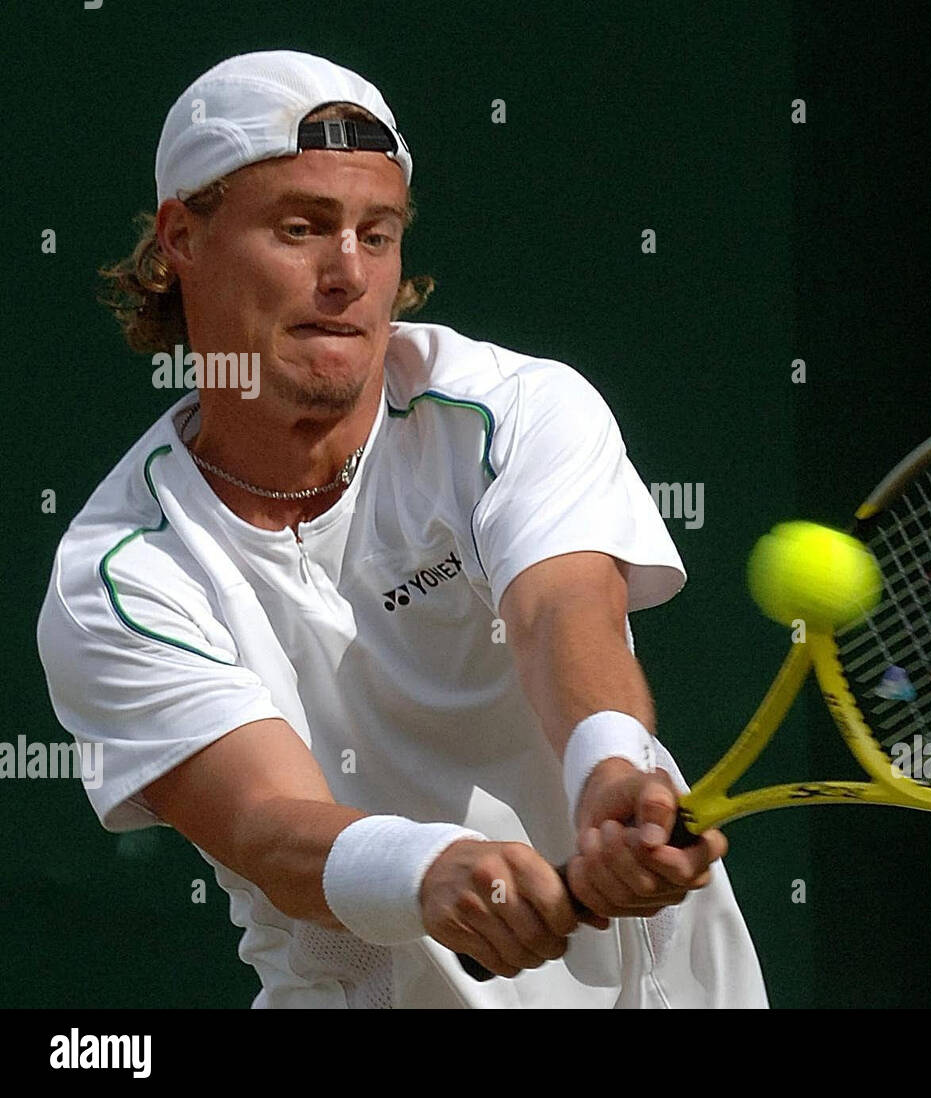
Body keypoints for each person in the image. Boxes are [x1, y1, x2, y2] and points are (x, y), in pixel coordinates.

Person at [36, 49, 768, 1008]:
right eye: (300, 228)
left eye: (376, 235)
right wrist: (437, 873)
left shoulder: (518, 410)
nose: (347, 274)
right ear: (183, 237)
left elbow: (560, 616)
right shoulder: (118, 577)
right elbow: (264, 822)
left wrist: (607, 770)